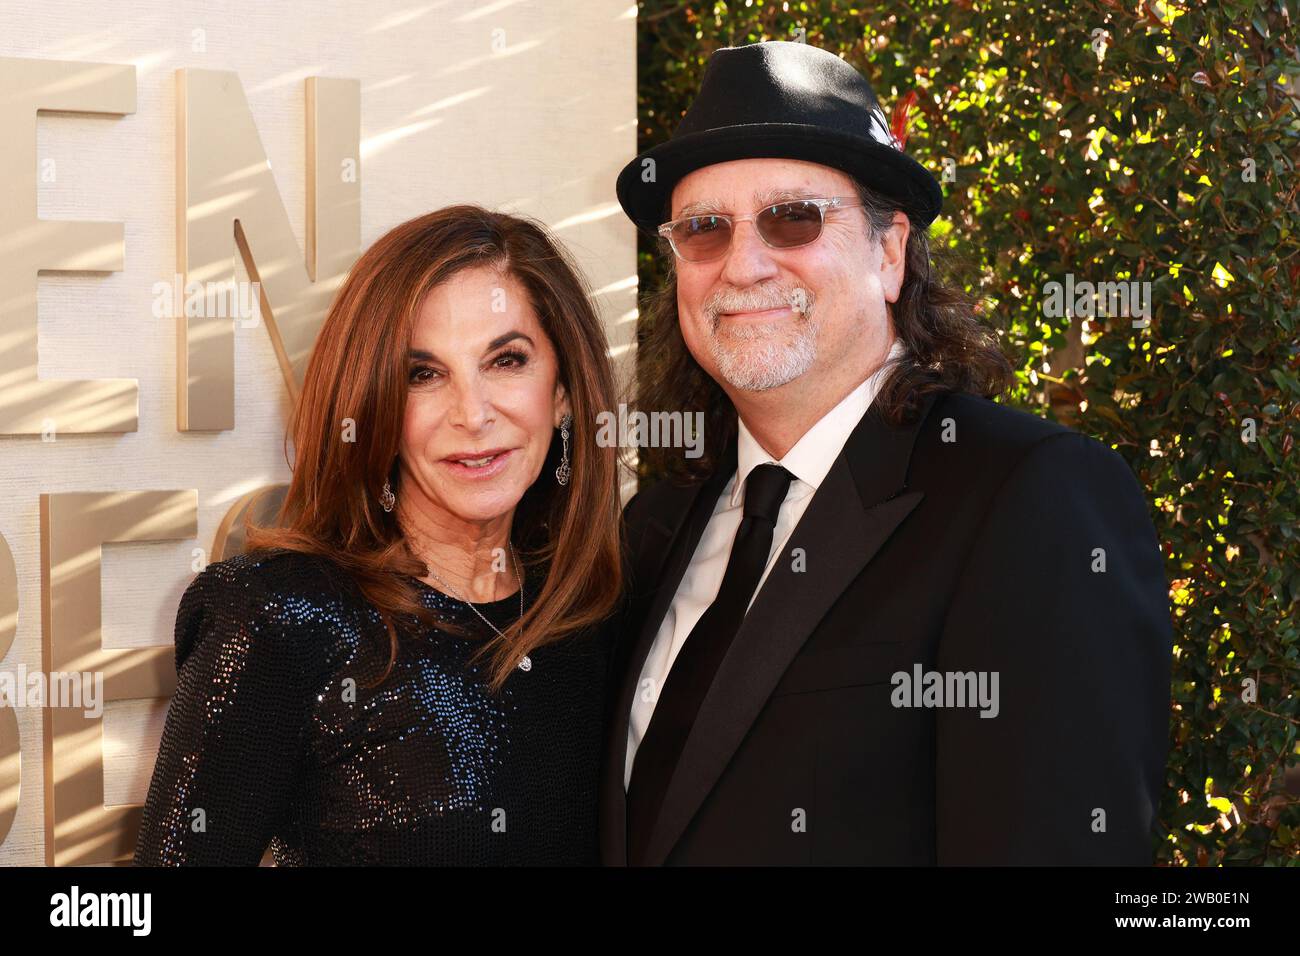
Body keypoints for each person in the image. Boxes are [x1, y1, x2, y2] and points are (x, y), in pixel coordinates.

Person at [602, 40, 1172, 865]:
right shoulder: (653, 529)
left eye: (793, 217)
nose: (744, 263)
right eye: (703, 230)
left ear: (890, 251)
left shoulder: (1030, 496)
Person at [134, 206, 622, 865]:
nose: (473, 414)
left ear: (562, 393)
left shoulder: (599, 618)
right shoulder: (282, 616)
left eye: (506, 360)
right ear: (374, 408)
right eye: (423, 374)